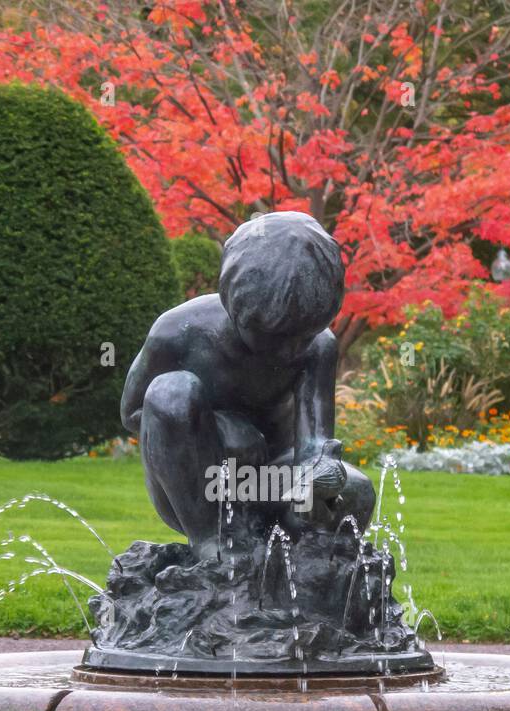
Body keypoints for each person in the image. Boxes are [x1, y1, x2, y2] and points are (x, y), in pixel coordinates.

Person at [120, 211, 374, 560]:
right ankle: (212, 542)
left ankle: (304, 562)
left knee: (358, 491)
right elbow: (134, 411)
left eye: (302, 337)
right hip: (203, 483)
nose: (288, 351)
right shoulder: (178, 332)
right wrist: (220, 423)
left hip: (273, 484)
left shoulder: (318, 346)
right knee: (170, 392)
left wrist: (319, 477)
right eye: (273, 338)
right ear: (234, 304)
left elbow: (314, 443)